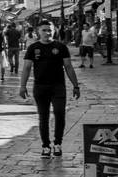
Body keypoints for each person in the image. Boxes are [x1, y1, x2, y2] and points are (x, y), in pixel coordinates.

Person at [20, 21, 81, 158]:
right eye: (44, 30)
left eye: (50, 30)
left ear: (54, 31)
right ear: (38, 31)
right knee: (44, 117)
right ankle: (46, 146)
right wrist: (22, 86)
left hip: (58, 86)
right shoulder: (33, 48)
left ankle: (58, 143)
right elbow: (27, 67)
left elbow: (68, 67)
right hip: (40, 87)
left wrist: (76, 85)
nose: (47, 33)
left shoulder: (60, 47)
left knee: (60, 113)